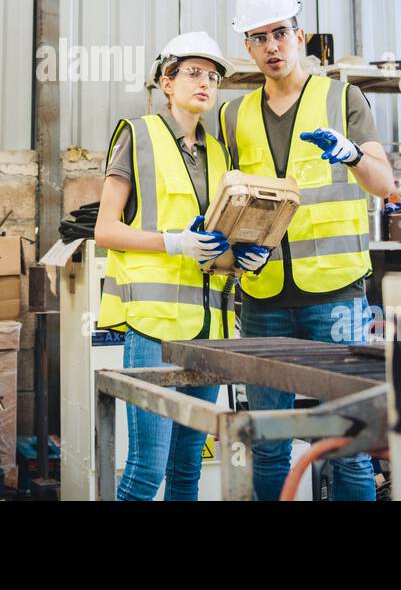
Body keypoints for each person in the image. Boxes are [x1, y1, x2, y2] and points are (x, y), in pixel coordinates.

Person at [219, 0, 396, 501]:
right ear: (246, 47)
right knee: (269, 444)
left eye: (279, 33)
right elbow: (229, 202)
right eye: (258, 37)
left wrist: (353, 156)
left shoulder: (344, 98)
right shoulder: (233, 115)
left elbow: (386, 185)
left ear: (301, 35)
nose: (271, 46)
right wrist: (230, 248)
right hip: (262, 295)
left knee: (347, 444)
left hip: (336, 294)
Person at [94, 31, 269, 501]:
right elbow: (105, 230)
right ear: (166, 82)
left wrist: (242, 258)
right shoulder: (138, 134)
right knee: (146, 471)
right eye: (193, 73)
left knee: (188, 469)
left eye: (213, 76)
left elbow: (214, 244)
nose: (205, 83)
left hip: (210, 330)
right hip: (154, 330)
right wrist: (173, 243)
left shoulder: (220, 154)